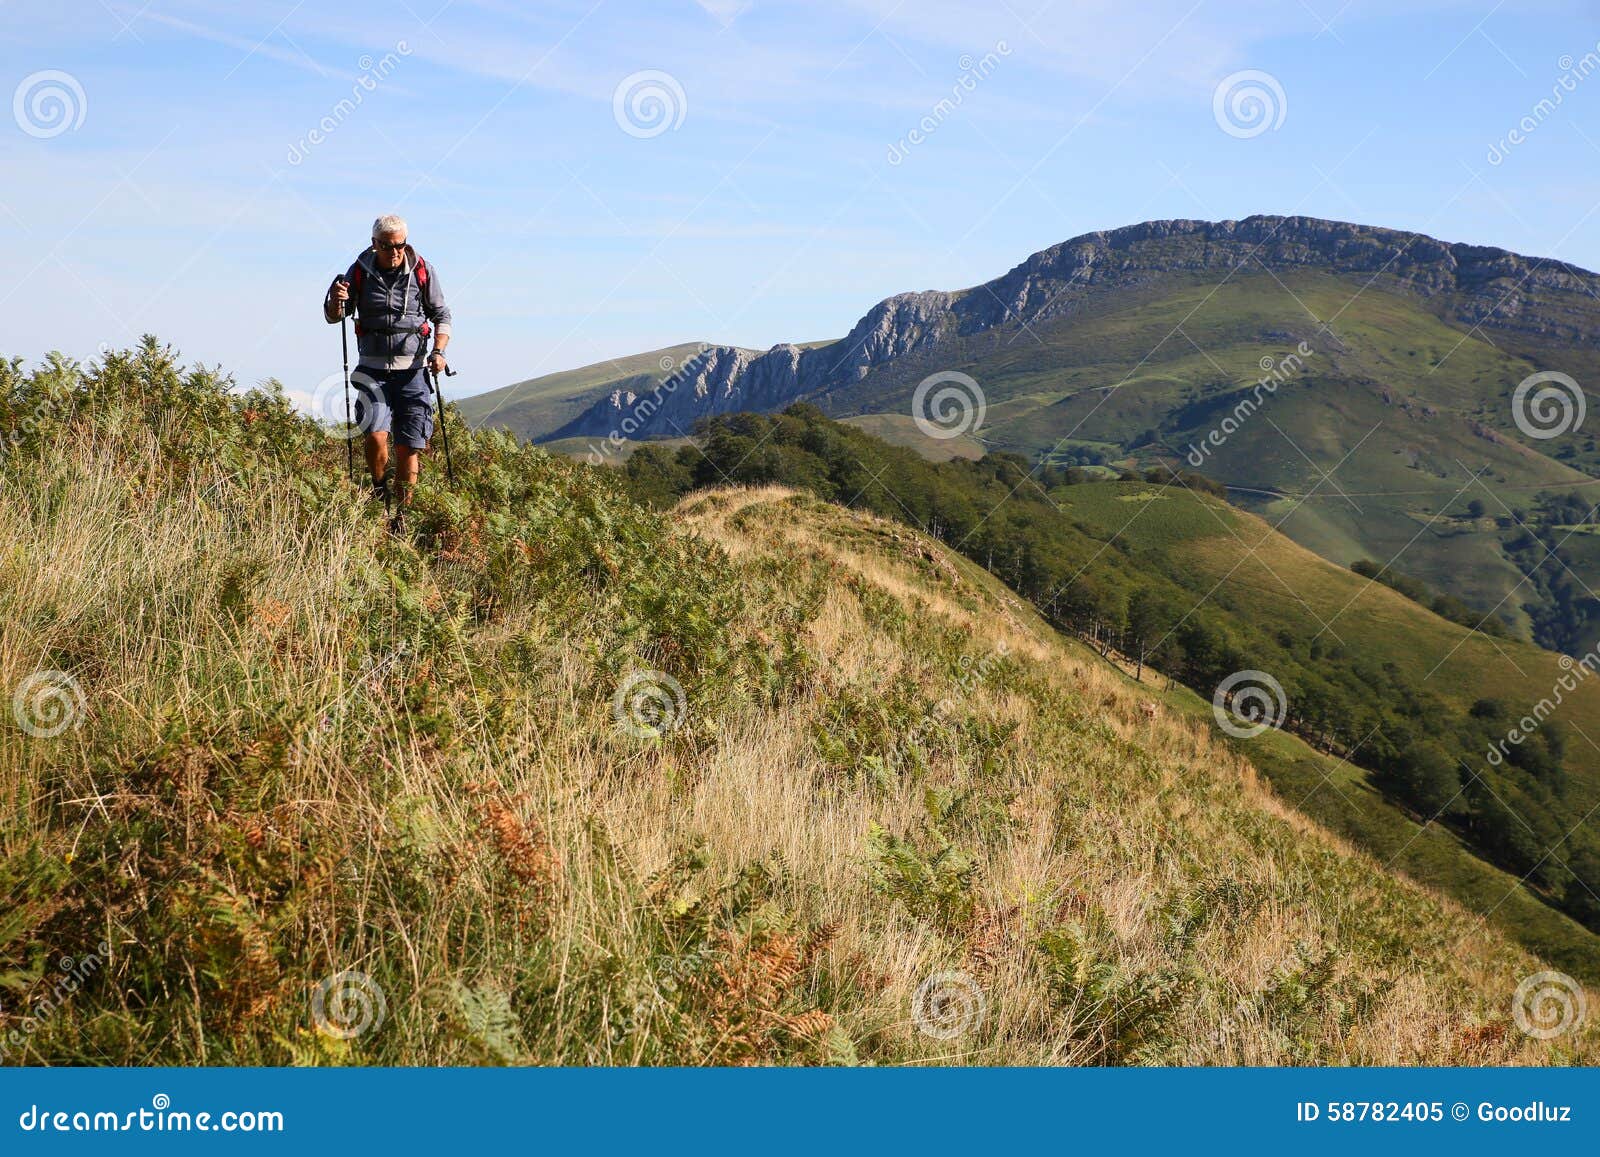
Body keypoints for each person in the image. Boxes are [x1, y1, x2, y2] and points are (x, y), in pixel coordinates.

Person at [324, 214, 452, 534]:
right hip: (372, 370)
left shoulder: (423, 270)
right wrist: (335, 302)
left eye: (399, 245)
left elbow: (442, 314)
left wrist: (439, 351)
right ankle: (379, 491)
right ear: (374, 244)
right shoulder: (358, 273)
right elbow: (334, 317)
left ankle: (401, 519)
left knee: (409, 447)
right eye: (386, 246)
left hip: (414, 371)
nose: (394, 252)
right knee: (375, 436)